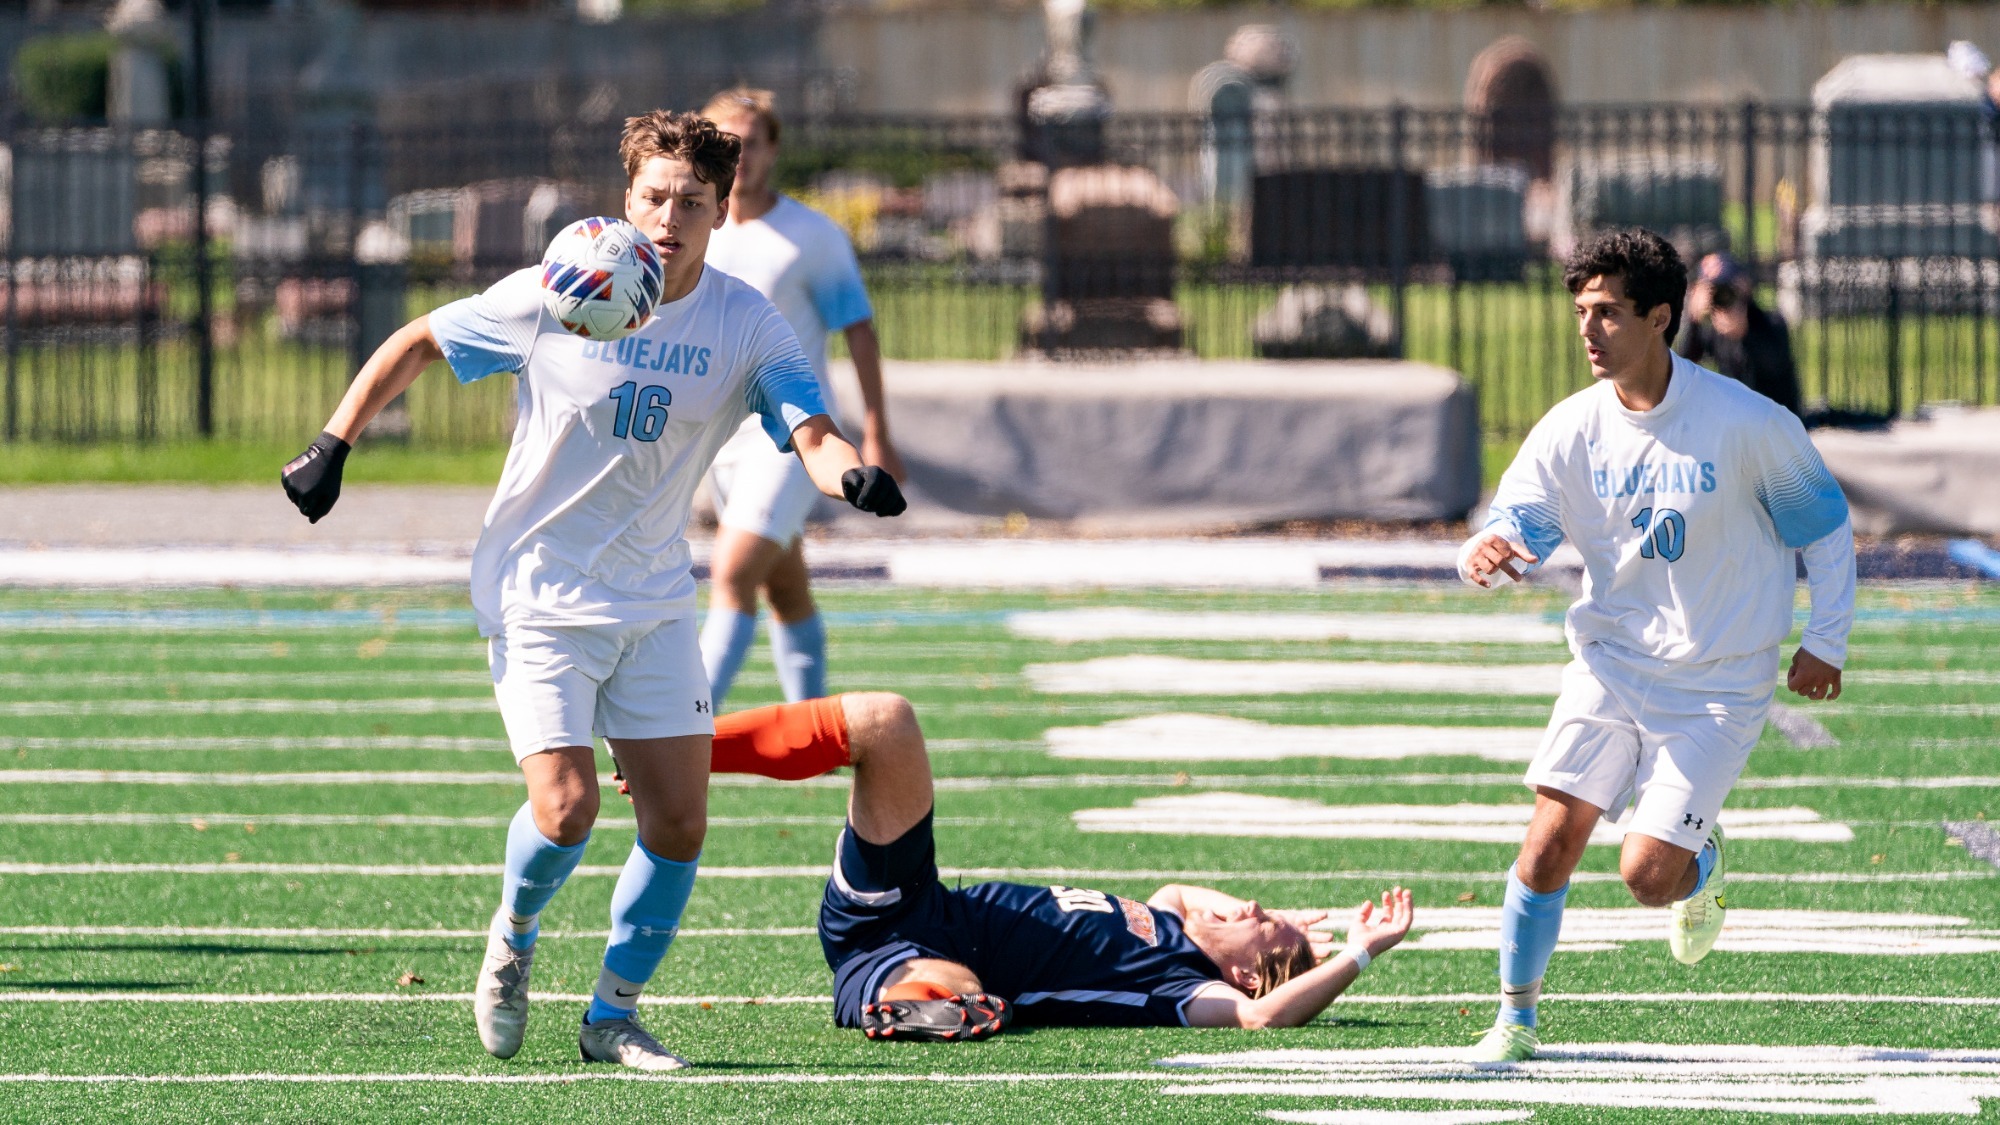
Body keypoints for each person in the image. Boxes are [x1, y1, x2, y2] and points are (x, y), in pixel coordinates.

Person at [278, 110, 907, 1072]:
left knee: (680, 820)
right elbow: (416, 340)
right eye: (653, 196)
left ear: (721, 208)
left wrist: (850, 474)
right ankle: (514, 936)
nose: (668, 216)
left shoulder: (745, 319)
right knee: (569, 807)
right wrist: (334, 444)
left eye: (691, 201)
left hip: (652, 597)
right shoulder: (565, 286)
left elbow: (808, 427)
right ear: (627, 199)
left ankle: (613, 1015)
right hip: (536, 589)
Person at [1457, 228, 1854, 1062]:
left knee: (1646, 878)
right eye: (1581, 312)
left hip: (1718, 682)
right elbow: (1517, 522)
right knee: (1548, 841)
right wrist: (1488, 551)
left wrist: (1826, 638)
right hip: (1610, 664)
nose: (1588, 330)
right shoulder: (1571, 427)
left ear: (1661, 317)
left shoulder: (1746, 422)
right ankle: (1515, 1019)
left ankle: (1698, 862)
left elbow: (1825, 525)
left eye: (1606, 313)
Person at [661, 692, 1413, 1038]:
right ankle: (684, 747)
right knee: (887, 724)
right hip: (909, 903)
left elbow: (1262, 1014)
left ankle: (911, 1006)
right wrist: (1269, 927)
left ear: (1247, 973)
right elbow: (1185, 891)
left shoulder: (1188, 986)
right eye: (1263, 904)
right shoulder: (1173, 913)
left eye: (1263, 927)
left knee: (966, 994)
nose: (1250, 907)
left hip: (920, 955)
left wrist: (1353, 953)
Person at [697, 87, 906, 712]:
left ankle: (681, 730)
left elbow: (859, 332)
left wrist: (876, 430)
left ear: (773, 148)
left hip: (790, 439)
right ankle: (814, 734)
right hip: (720, 443)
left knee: (732, 575)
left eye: (751, 143)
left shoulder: (811, 236)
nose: (740, 158)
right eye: (726, 144)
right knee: (784, 590)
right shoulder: (688, 230)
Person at [1676, 252, 1802, 419]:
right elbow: (1682, 369)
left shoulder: (1771, 322)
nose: (1722, 296)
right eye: (1713, 291)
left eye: (1727, 288)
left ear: (1744, 286)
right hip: (1737, 424)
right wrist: (1694, 321)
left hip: (1776, 421)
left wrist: (1744, 334)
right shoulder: (1712, 331)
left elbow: (1774, 366)